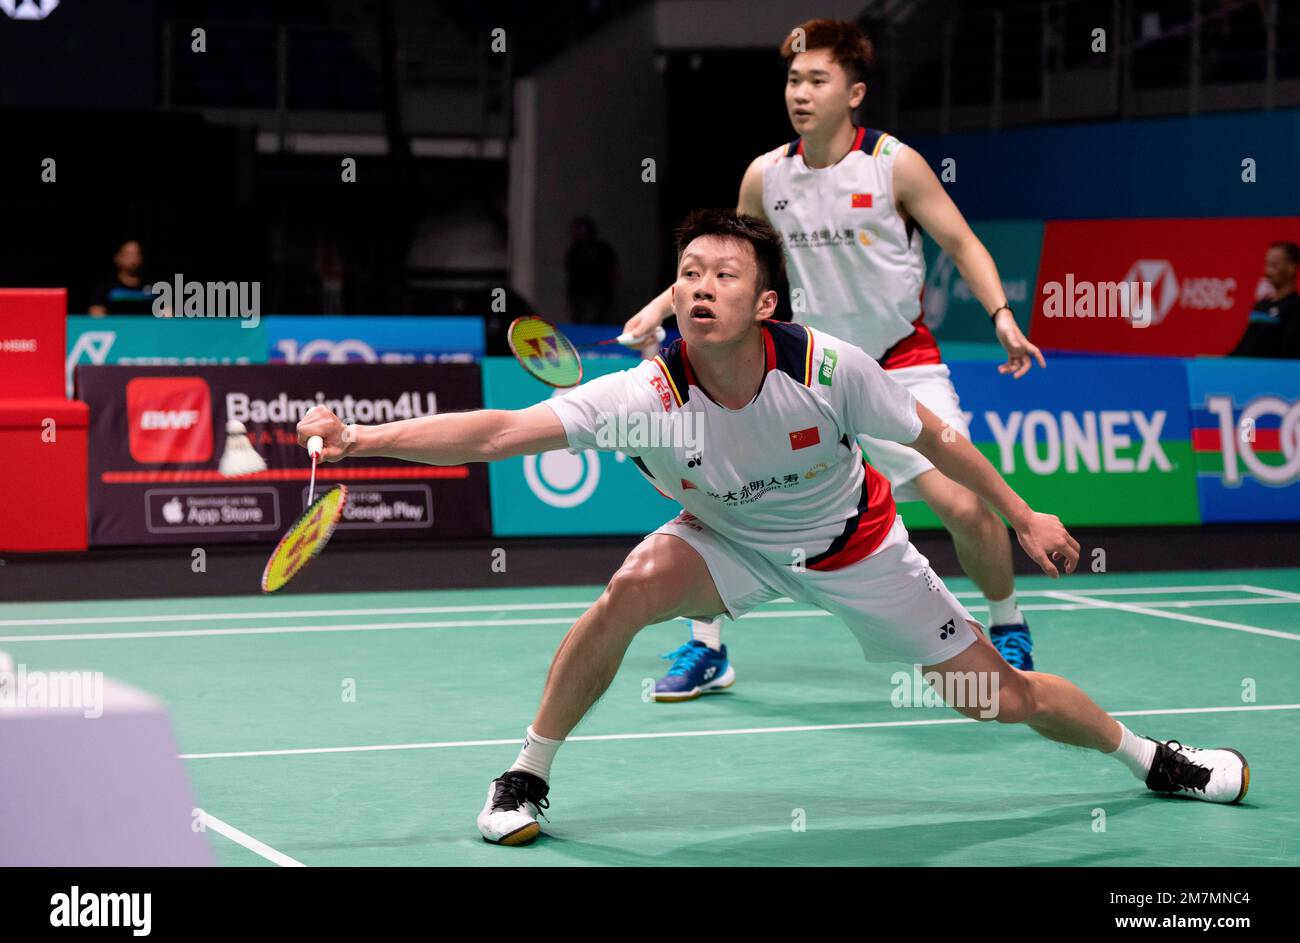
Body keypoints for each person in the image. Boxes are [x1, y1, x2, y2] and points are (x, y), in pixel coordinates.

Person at [296, 210, 1249, 847]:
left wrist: (1022, 511)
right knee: (629, 592)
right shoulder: (642, 392)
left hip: (858, 549)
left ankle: (1154, 759)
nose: (700, 284)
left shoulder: (830, 371)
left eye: (724, 272)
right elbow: (500, 431)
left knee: (999, 700)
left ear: (765, 304)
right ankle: (525, 775)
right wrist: (356, 438)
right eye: (687, 274)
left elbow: (939, 441)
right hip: (725, 542)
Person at [623, 19, 1045, 701]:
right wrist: (662, 307)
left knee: (964, 505)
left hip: (897, 363)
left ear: (855, 92)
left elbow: (962, 242)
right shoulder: (767, 174)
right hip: (801, 372)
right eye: (793, 80)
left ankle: (1008, 625)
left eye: (817, 80)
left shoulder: (892, 164)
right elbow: (727, 259)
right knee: (715, 501)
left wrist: (1002, 317)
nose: (800, 93)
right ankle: (706, 648)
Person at [1230, 241, 1299, 358]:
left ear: (1291, 268)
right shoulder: (1261, 306)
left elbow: (1289, 352)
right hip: (1248, 372)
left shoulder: (1295, 308)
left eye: (1274, 265)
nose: (1267, 272)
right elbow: (1245, 347)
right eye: (1267, 264)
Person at [564, 215, 619, 325]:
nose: (577, 233)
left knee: (596, 322)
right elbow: (569, 269)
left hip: (599, 295)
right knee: (579, 322)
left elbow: (613, 271)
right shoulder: (574, 250)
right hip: (577, 294)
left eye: (581, 230)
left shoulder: (603, 249)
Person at [87, 239, 156, 316]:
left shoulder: (154, 286)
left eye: (136, 254)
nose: (133, 258)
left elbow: (166, 313)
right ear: (117, 258)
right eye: (128, 254)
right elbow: (96, 312)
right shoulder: (105, 287)